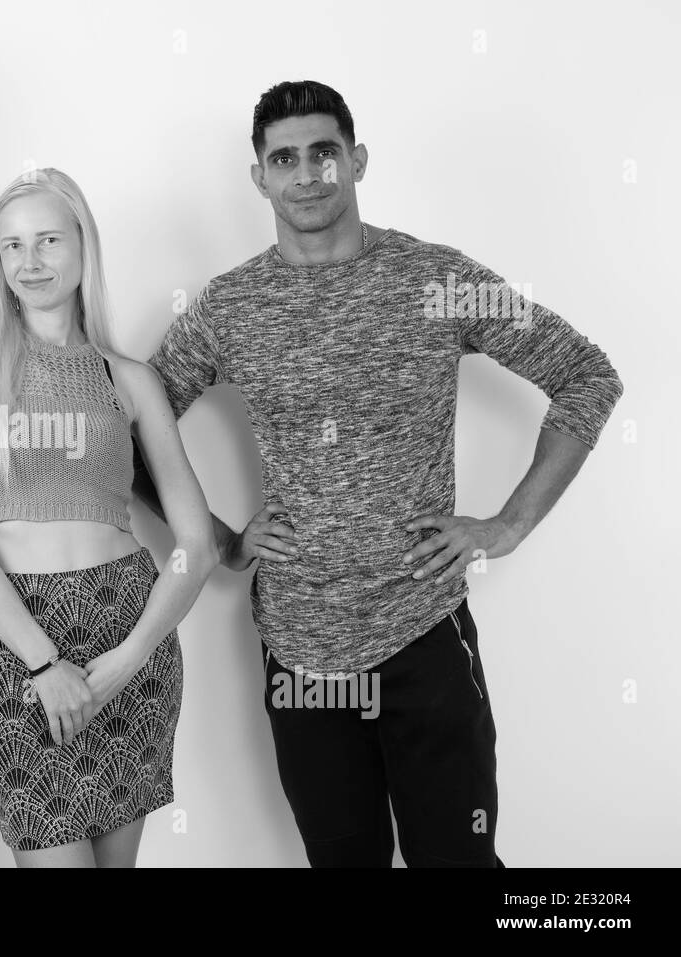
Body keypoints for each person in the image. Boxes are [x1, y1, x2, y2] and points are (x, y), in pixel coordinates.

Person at [137, 80, 625, 867]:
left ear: (356, 160)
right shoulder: (231, 307)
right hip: (300, 650)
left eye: (324, 153)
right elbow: (134, 428)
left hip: (422, 632)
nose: (306, 174)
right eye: (284, 158)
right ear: (258, 177)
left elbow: (588, 375)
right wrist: (221, 537)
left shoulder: (433, 279)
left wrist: (508, 523)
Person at [0, 168, 218, 867]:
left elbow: (197, 544)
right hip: (18, 641)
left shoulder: (129, 378)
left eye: (49, 240)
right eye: (12, 246)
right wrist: (44, 659)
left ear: (84, 245)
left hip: (129, 638)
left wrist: (131, 655)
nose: (30, 262)